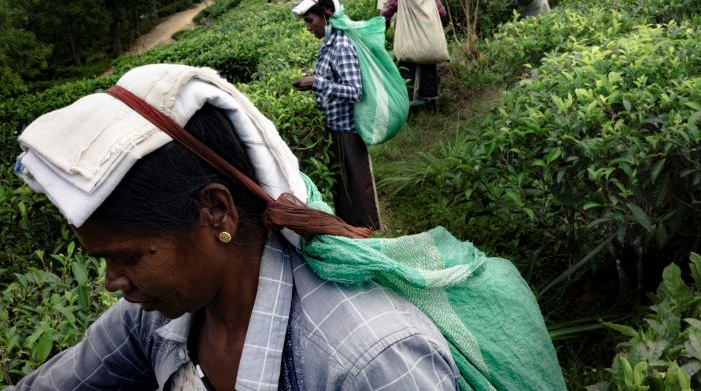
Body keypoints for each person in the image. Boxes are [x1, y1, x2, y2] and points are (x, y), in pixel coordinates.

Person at [9, 64, 460, 390]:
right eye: (105, 261)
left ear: (217, 211)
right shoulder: (152, 318)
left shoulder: (368, 361)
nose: (112, 283)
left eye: (127, 257)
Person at [291, 0, 380, 229]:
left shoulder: (341, 45)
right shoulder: (328, 43)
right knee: (344, 182)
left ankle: (368, 228)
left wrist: (316, 82)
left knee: (357, 181)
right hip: (335, 124)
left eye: (311, 21)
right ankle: (352, 226)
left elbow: (354, 90)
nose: (308, 27)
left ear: (327, 15)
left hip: (348, 126)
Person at [380, 0, 448, 107]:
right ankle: (431, 104)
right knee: (429, 66)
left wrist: (384, 28)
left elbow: (385, 14)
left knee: (406, 69)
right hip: (429, 38)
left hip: (408, 40)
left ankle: (409, 105)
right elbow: (441, 12)